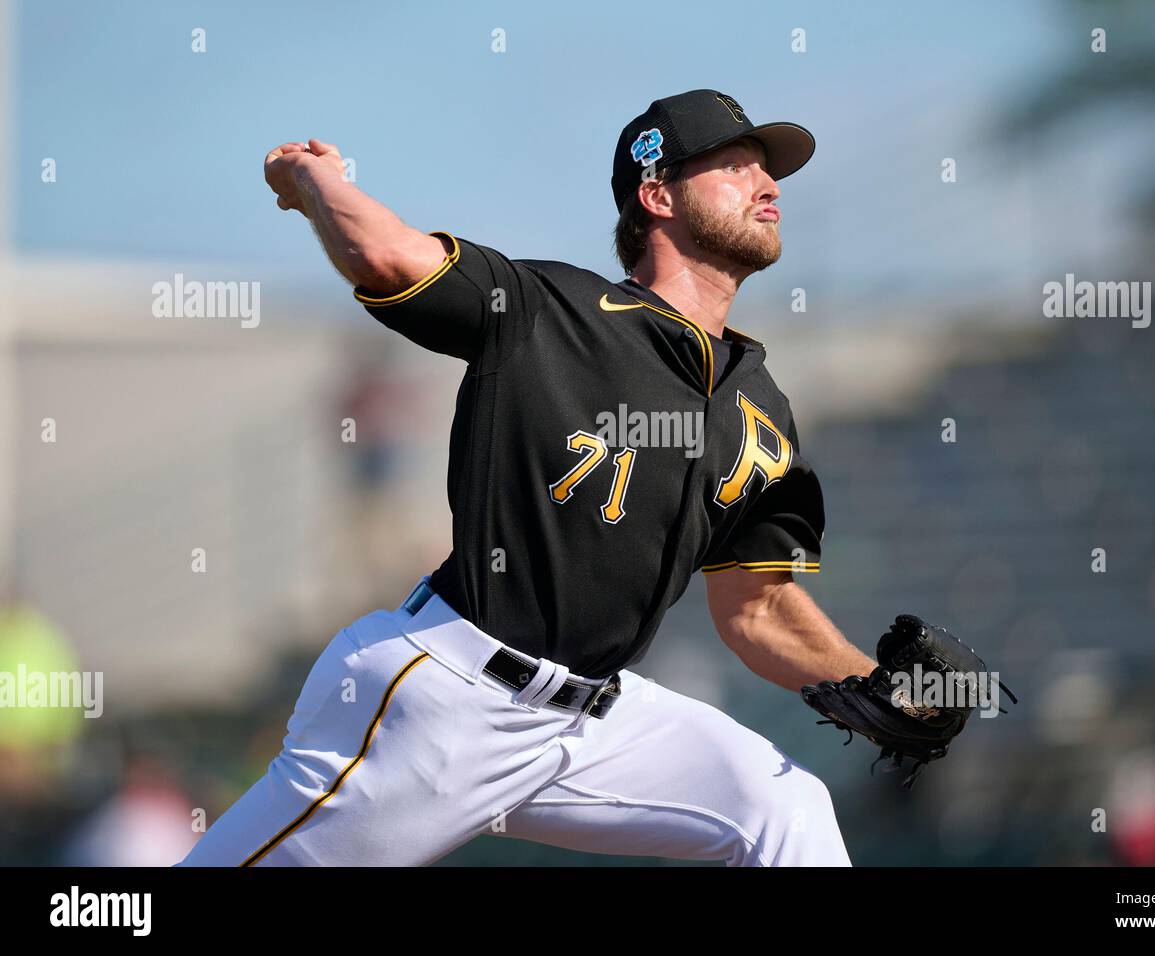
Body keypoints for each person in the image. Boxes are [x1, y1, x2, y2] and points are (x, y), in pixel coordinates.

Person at [179, 89, 877, 867]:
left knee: (784, 805)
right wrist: (315, 178)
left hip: (592, 723)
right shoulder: (549, 310)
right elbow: (384, 255)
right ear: (657, 194)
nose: (768, 185)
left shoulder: (762, 404)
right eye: (735, 165)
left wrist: (875, 685)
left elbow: (758, 607)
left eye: (768, 170)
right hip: (445, 698)